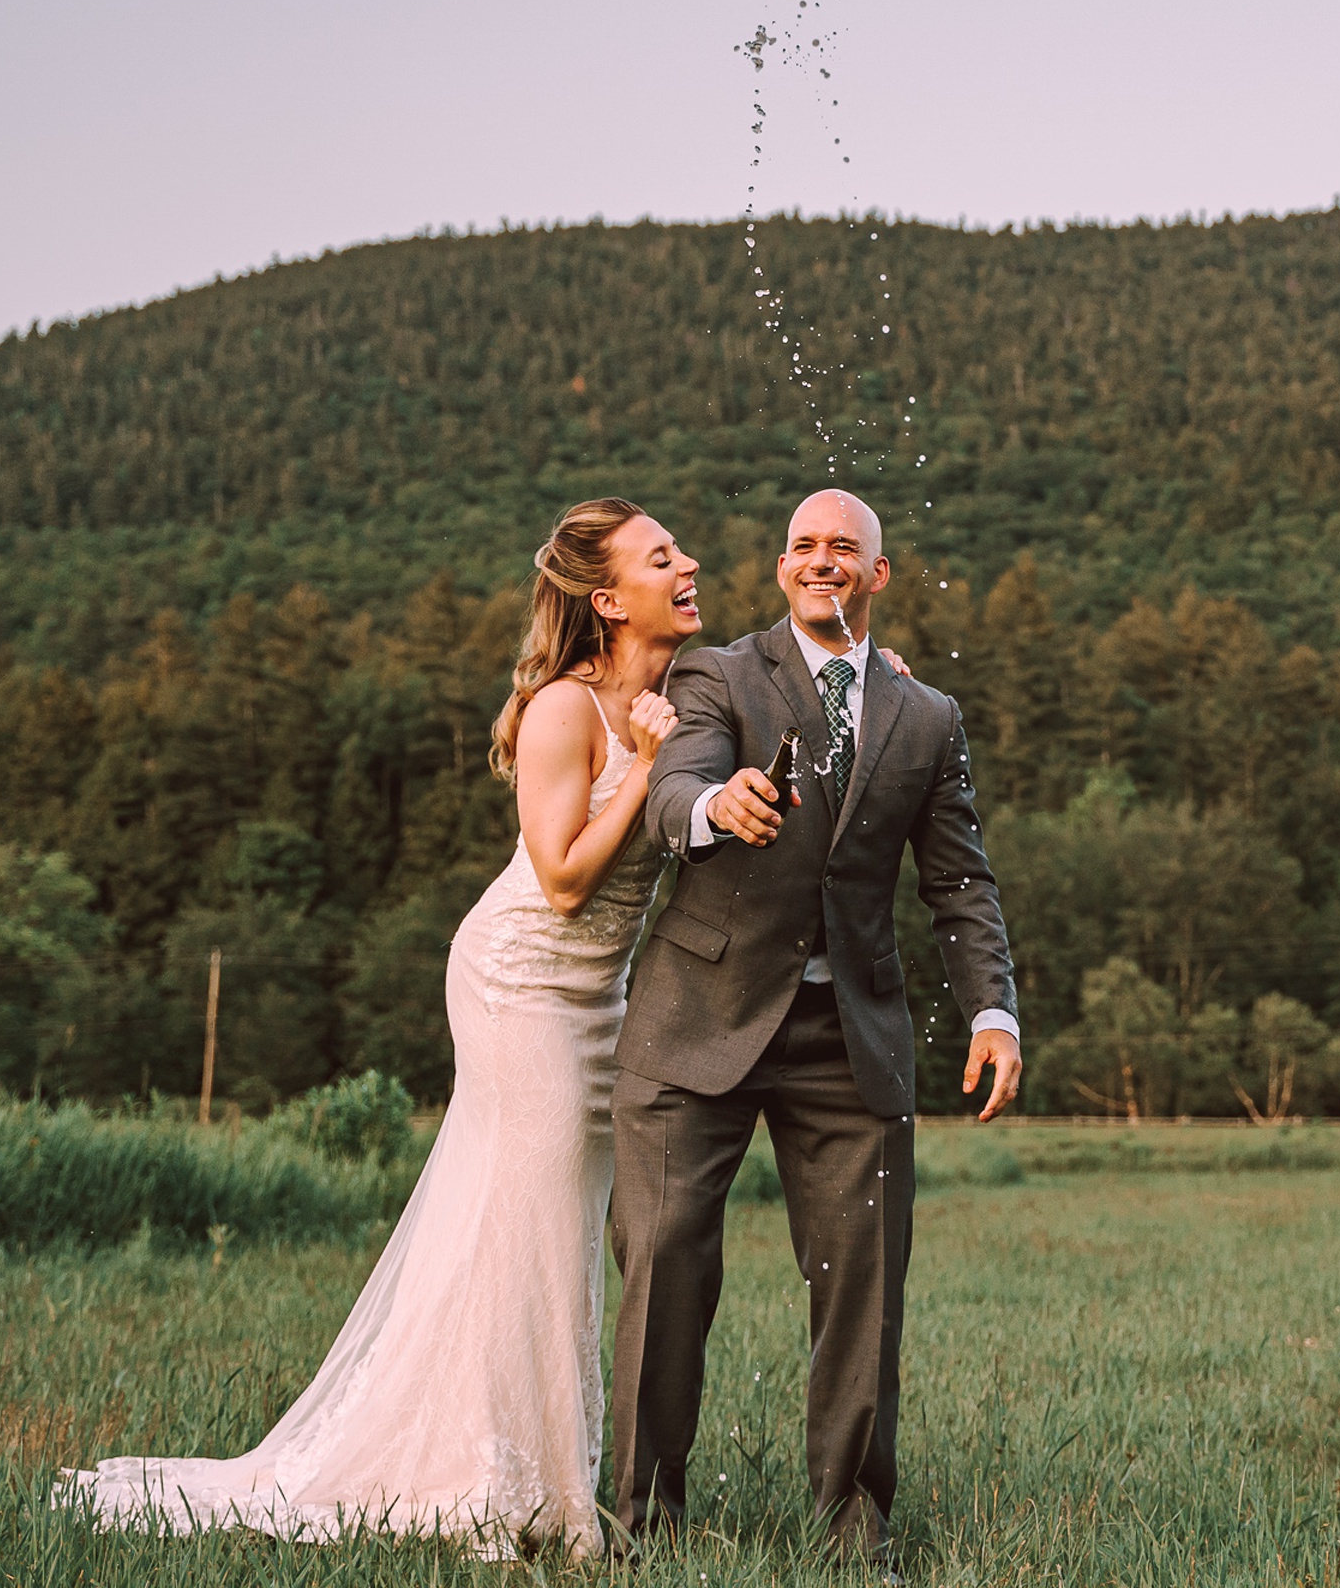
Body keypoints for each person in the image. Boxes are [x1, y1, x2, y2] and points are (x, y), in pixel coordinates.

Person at [58, 497, 698, 1558]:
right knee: (531, 1217)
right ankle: (508, 1489)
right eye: (661, 556)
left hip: (602, 999)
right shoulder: (565, 712)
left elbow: (772, 687)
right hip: (522, 981)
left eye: (679, 551)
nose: (688, 566)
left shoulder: (680, 688)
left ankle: (540, 1470)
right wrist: (636, 768)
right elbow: (565, 876)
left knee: (551, 1226)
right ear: (605, 595)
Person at [609, 487, 1023, 1563]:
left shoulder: (926, 715)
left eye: (845, 546)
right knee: (663, 1261)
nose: (821, 559)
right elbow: (674, 784)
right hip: (698, 1015)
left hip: (852, 1035)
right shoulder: (720, 673)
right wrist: (714, 806)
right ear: (783, 568)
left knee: (863, 1288)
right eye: (803, 545)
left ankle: (852, 1531)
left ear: (878, 574)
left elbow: (960, 880)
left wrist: (992, 1008)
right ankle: (639, 1524)